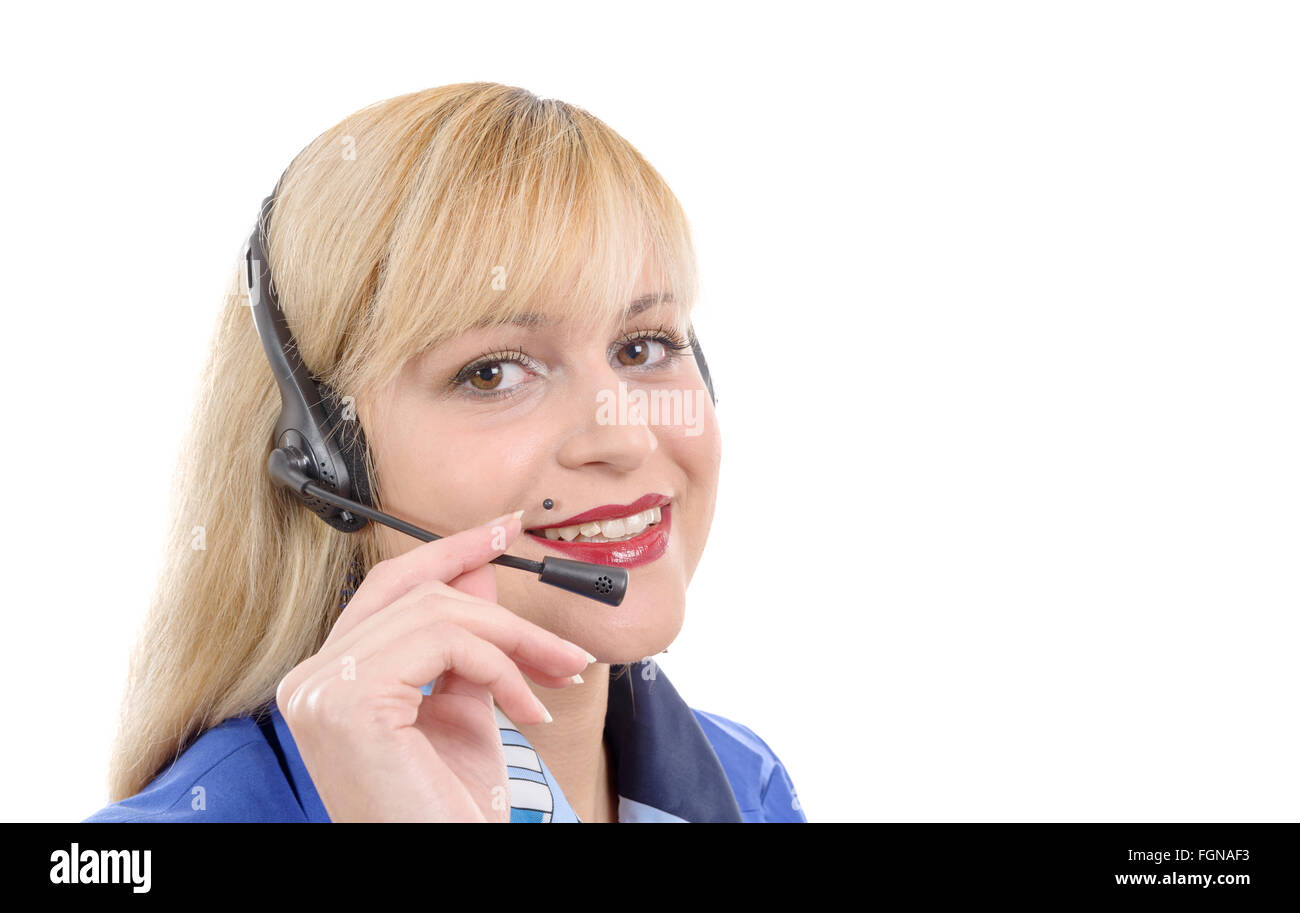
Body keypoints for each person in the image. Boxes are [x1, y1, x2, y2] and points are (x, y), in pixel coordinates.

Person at [84, 82, 805, 823]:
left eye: (644, 345)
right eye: (493, 371)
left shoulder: (750, 785)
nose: (625, 436)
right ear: (330, 461)